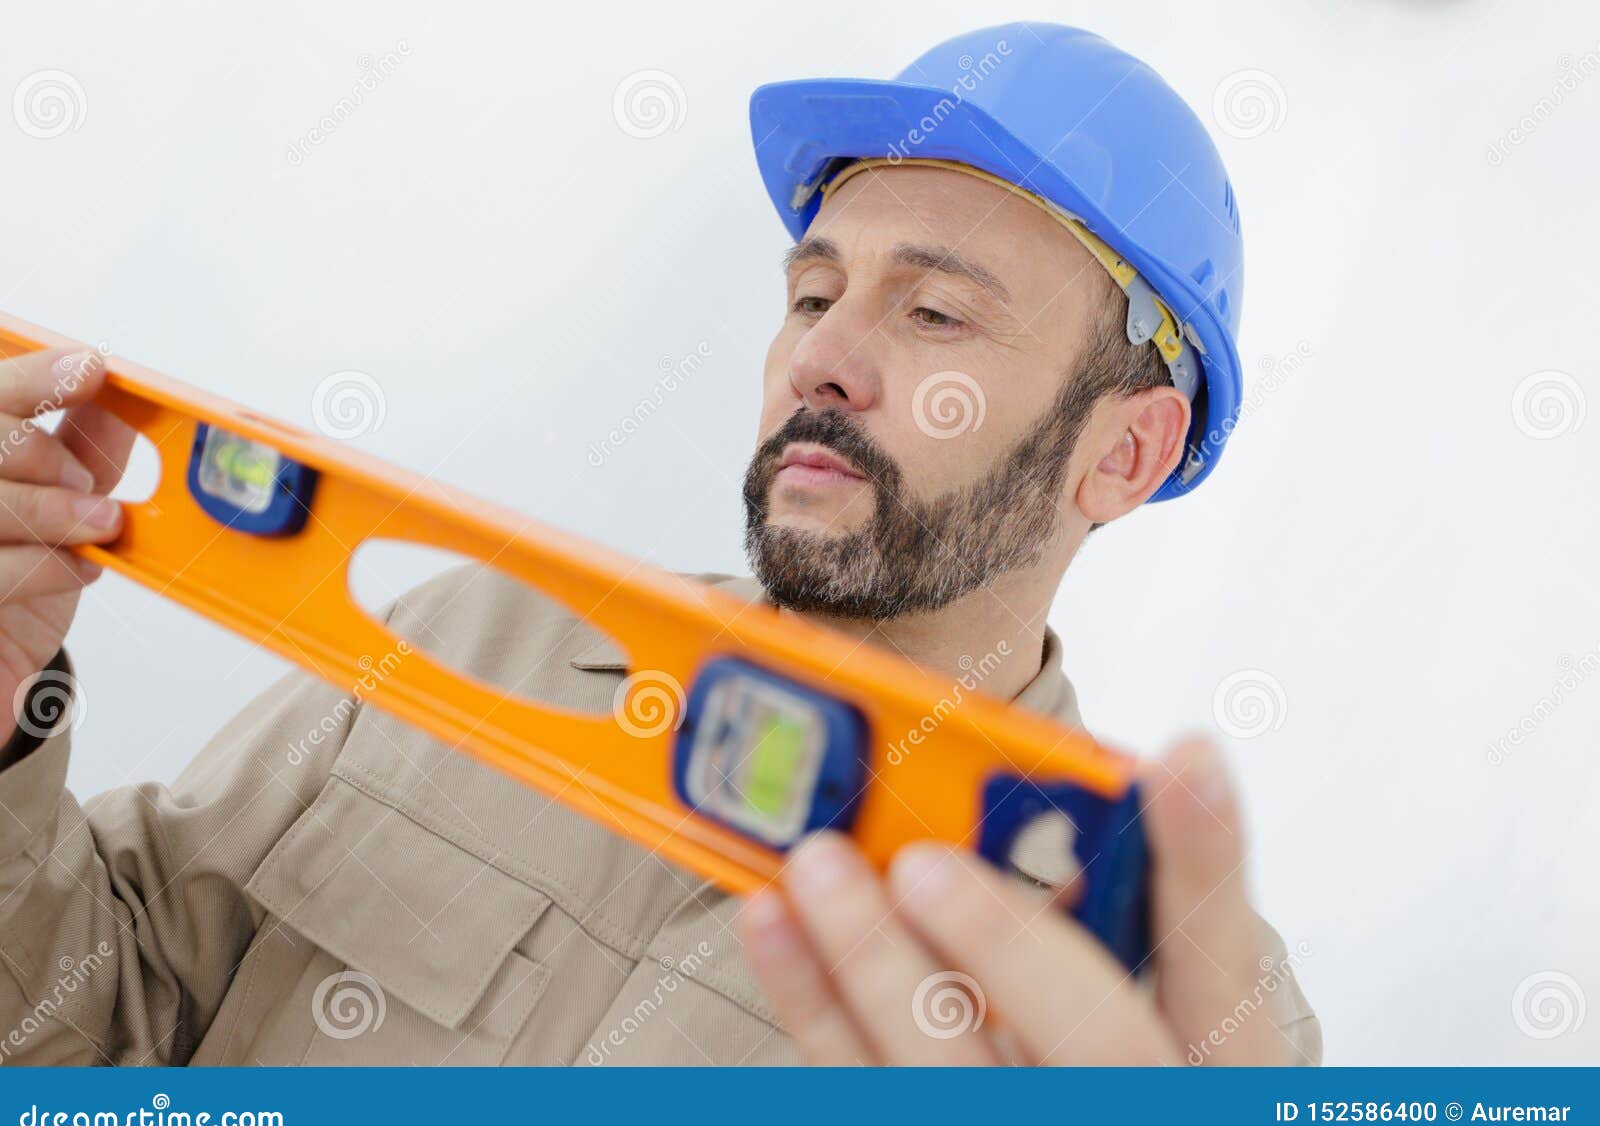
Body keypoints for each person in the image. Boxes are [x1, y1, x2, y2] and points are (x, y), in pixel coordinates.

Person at [0, 22, 1318, 1066]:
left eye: (934, 315)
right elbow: (91, 1031)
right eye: (812, 292)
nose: (822, 358)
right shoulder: (470, 639)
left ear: (1125, 450)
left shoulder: (1167, 995)